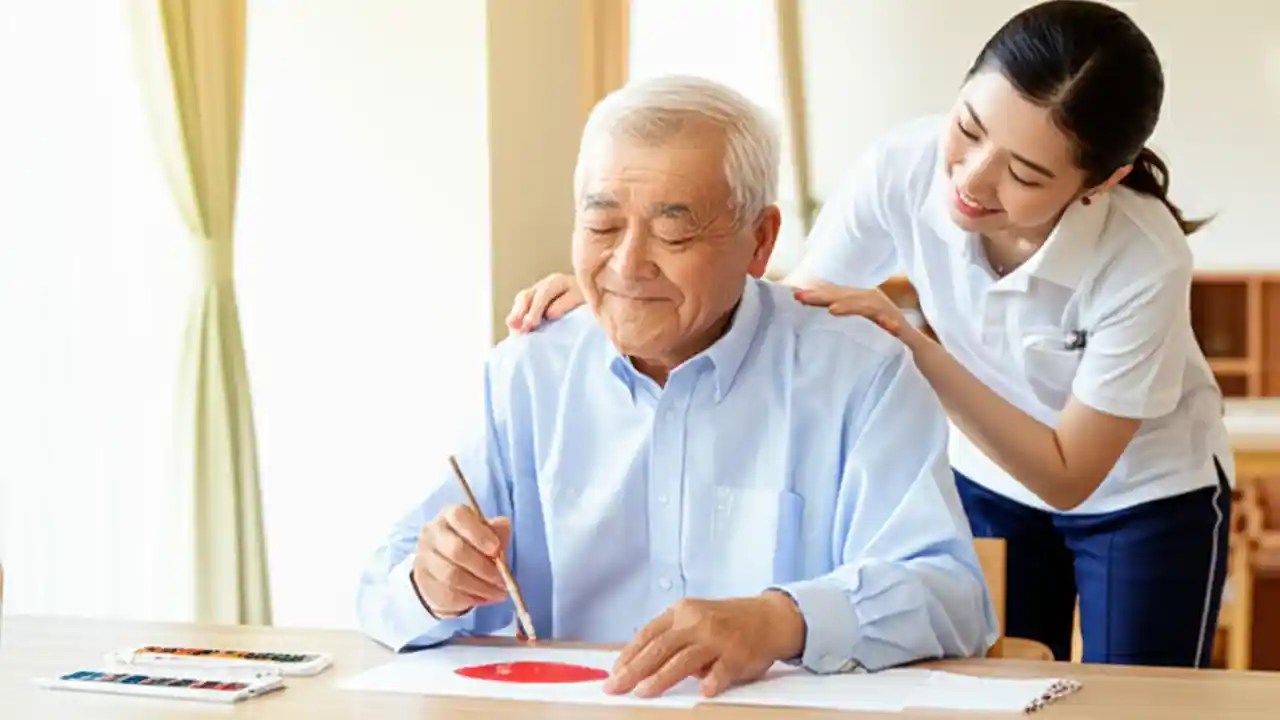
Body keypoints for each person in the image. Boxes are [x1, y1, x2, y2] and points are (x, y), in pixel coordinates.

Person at [503, 0, 1233, 669]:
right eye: (970, 129)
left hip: (1141, 493)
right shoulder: (905, 168)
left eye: (1025, 173)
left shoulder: (1142, 256)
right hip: (987, 476)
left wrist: (913, 344)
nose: (973, 181)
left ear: (1099, 183)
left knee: (1143, 699)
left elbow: (1070, 475)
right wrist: (630, 293)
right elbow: (787, 305)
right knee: (1004, 692)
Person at [358, 74, 997, 699]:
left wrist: (782, 621)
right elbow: (380, 593)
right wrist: (430, 583)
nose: (628, 265)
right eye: (603, 227)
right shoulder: (527, 373)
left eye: (673, 231)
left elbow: (952, 598)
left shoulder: (859, 373)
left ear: (760, 239)